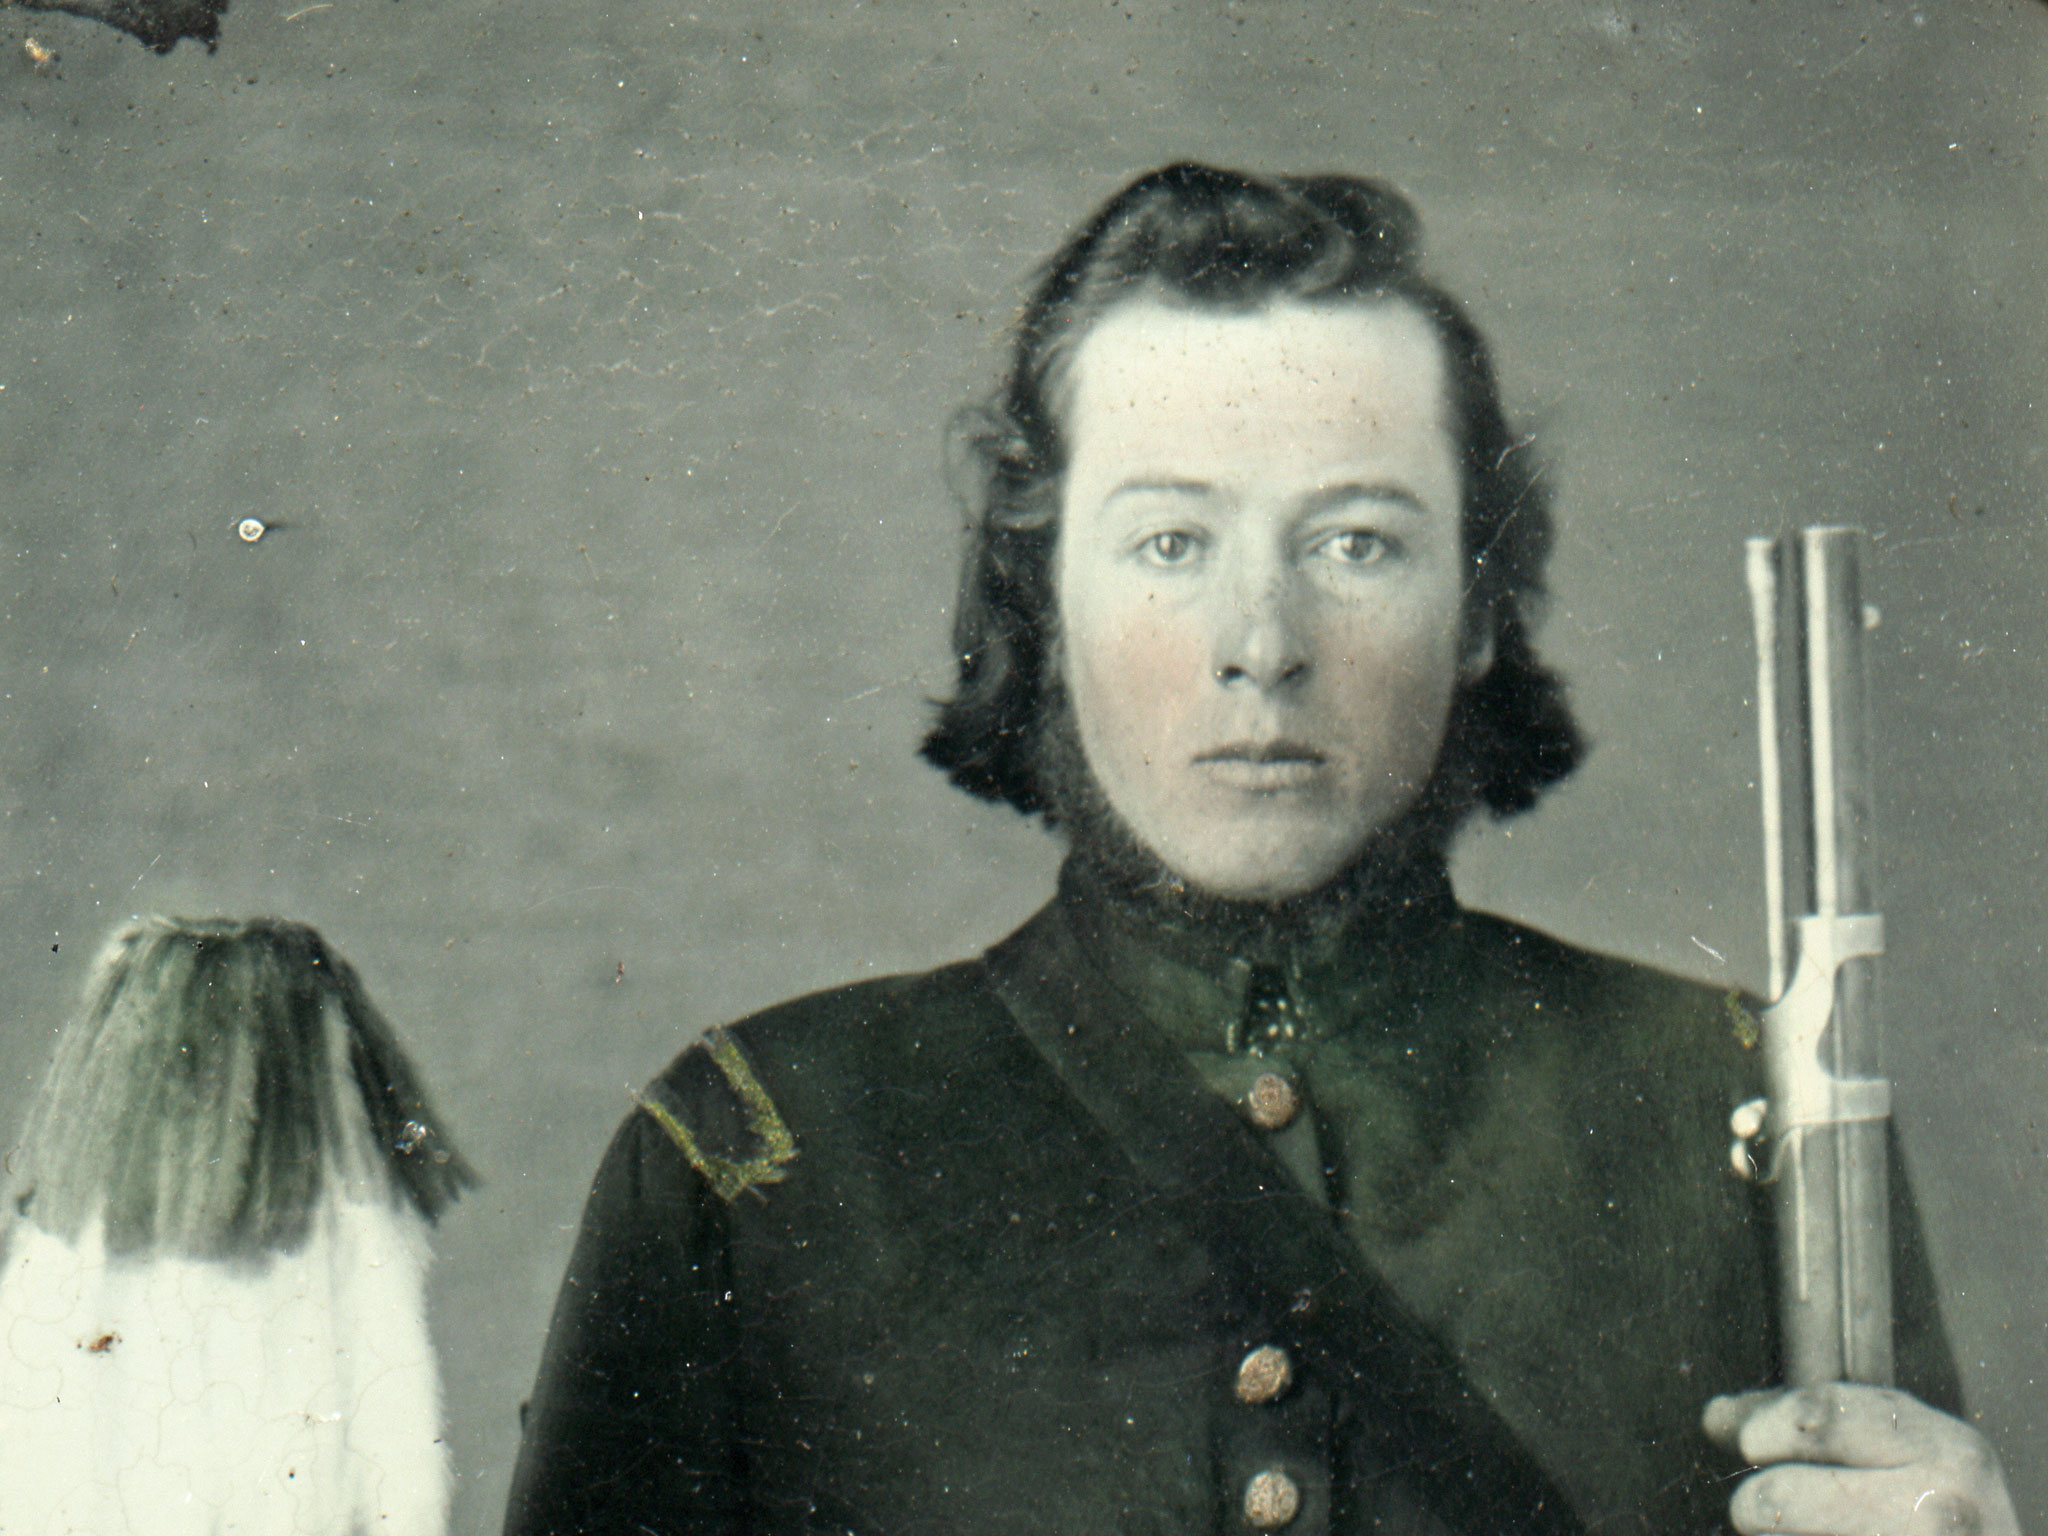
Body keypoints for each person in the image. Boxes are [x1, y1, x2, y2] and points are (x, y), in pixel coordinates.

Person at [505, 163, 2017, 1536]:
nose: (1261, 643)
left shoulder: (1741, 1107)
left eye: (1357, 542)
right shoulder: (757, 1153)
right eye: (1172, 543)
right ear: (1044, 604)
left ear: (1482, 608)